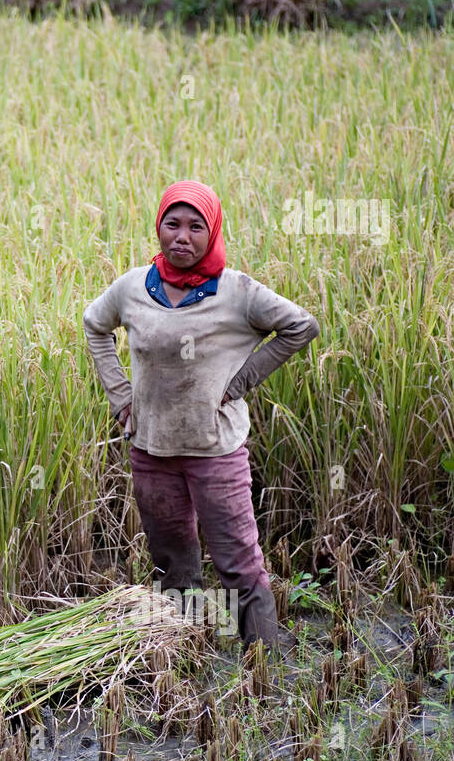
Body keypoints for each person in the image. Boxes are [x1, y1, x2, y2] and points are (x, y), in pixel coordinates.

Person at [82, 180, 320, 653]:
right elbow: (94, 325)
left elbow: (301, 326)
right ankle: (185, 654)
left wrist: (241, 381)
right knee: (172, 562)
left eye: (195, 227)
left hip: (215, 451)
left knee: (237, 563)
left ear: (212, 234)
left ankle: (261, 664)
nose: (182, 237)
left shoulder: (236, 293)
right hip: (151, 450)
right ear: (159, 228)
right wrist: (121, 398)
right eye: (173, 224)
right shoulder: (133, 288)